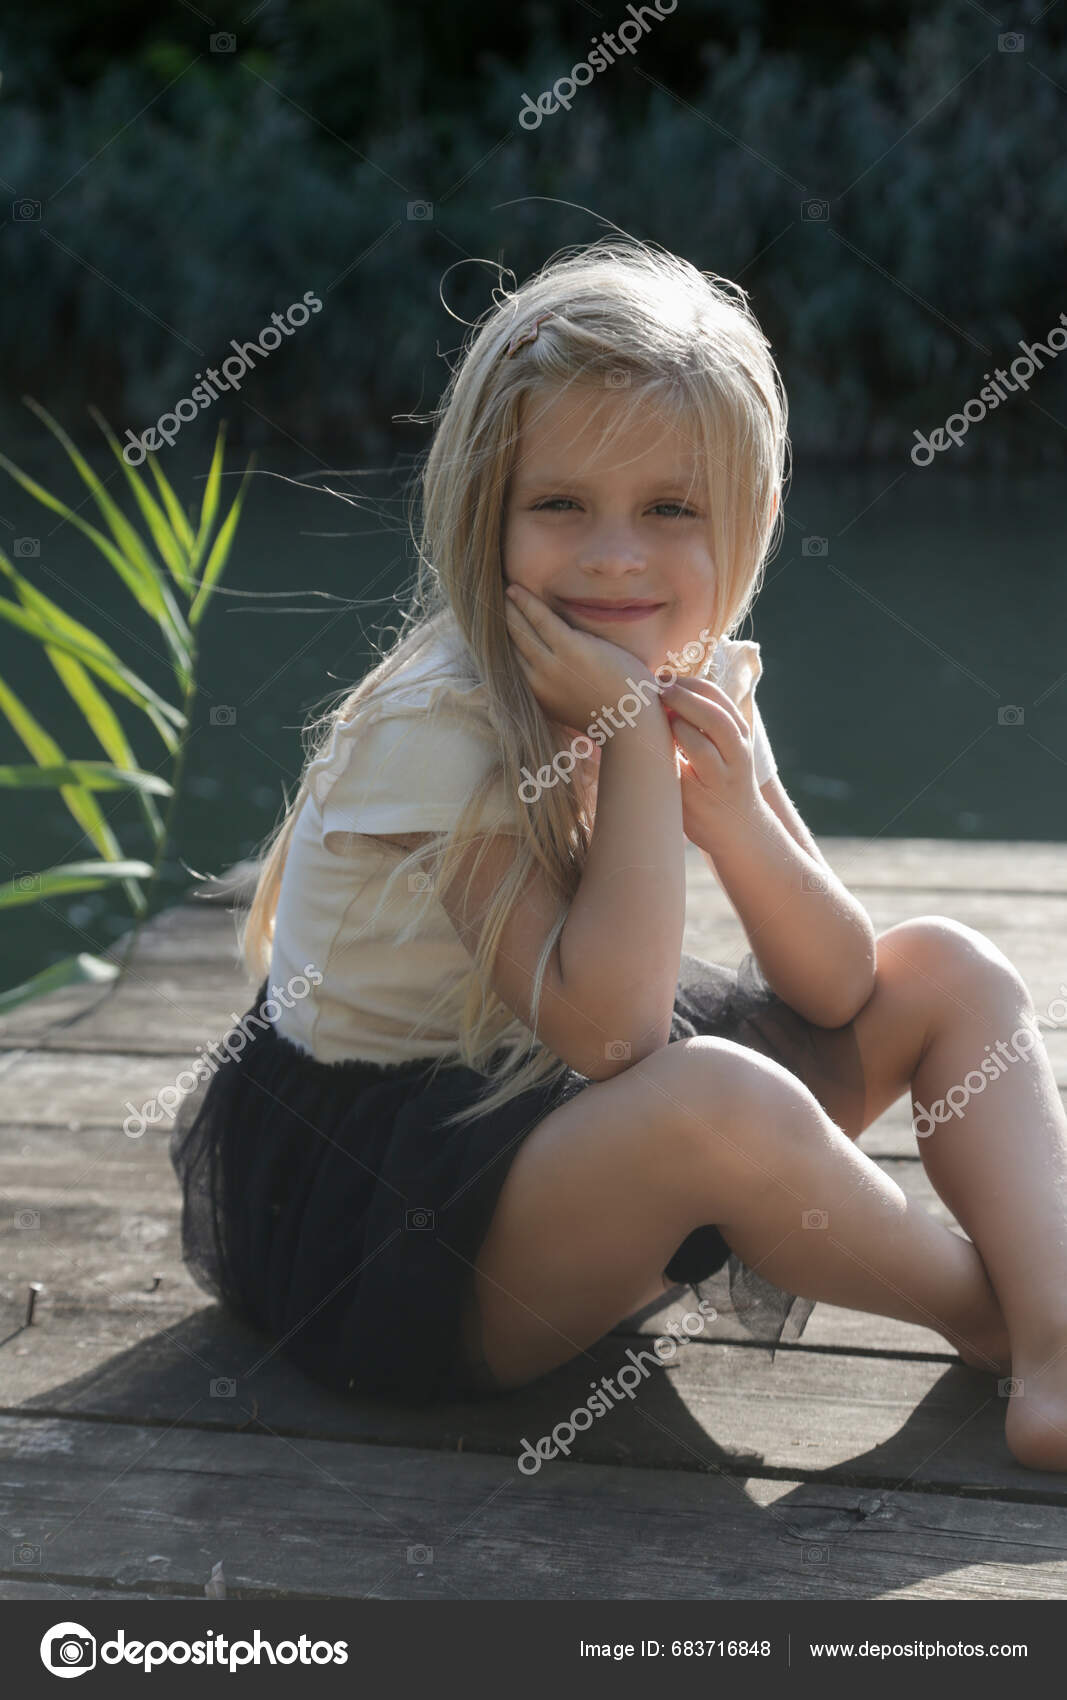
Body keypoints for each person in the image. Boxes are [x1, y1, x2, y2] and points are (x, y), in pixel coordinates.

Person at [170, 237, 1067, 1472]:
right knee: (713, 1096)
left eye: (667, 508)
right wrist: (636, 756)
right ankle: (990, 1317)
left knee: (952, 969)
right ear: (484, 504)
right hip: (410, 1225)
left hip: (574, 1117)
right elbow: (610, 1038)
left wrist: (740, 810)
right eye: (558, 504)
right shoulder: (435, 726)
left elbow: (839, 986)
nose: (614, 558)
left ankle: (1055, 1327)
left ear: (740, 522)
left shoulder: (686, 667)